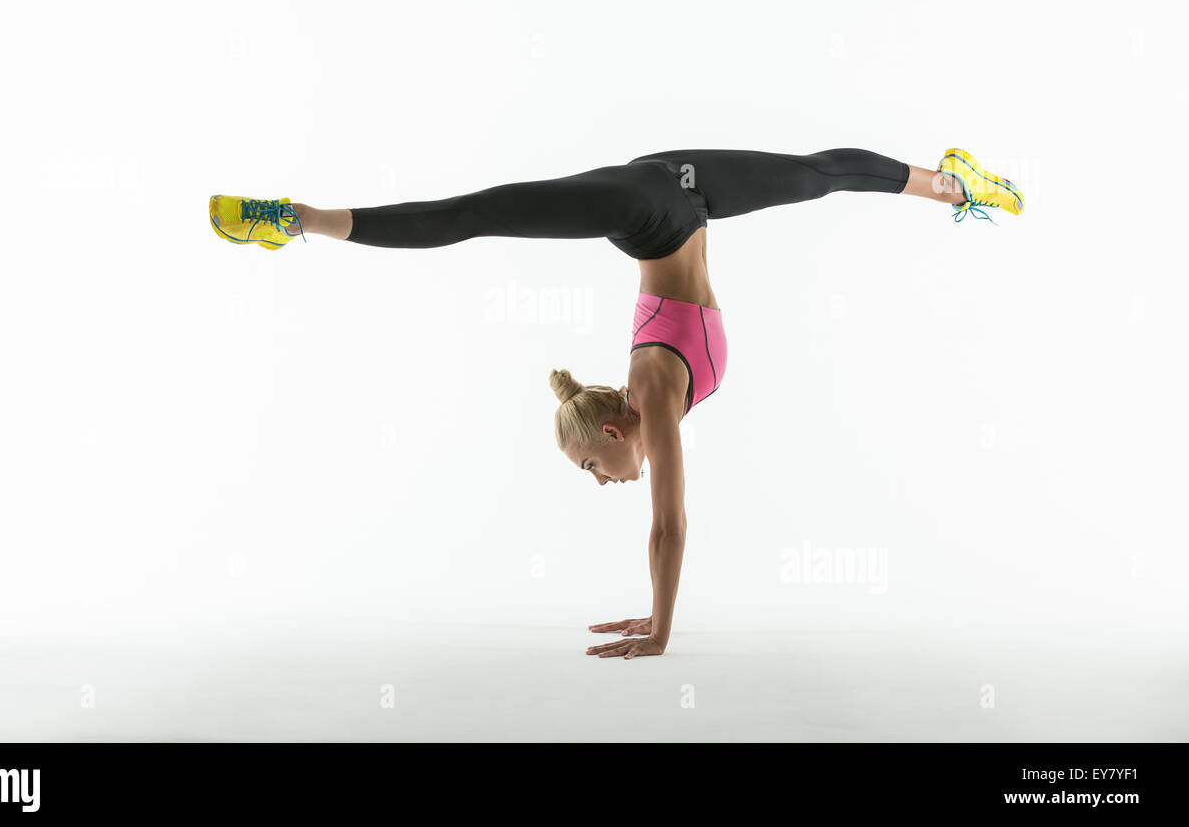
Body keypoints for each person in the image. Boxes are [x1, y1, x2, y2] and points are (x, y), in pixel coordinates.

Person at [209, 146, 1024, 659]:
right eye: (597, 474)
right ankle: (953, 185)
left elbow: (670, 524)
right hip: (681, 187)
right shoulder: (644, 392)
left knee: (477, 215)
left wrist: (660, 627)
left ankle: (297, 218)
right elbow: (664, 514)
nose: (605, 480)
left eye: (594, 466)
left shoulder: (658, 395)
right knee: (817, 175)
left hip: (650, 205)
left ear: (613, 428)